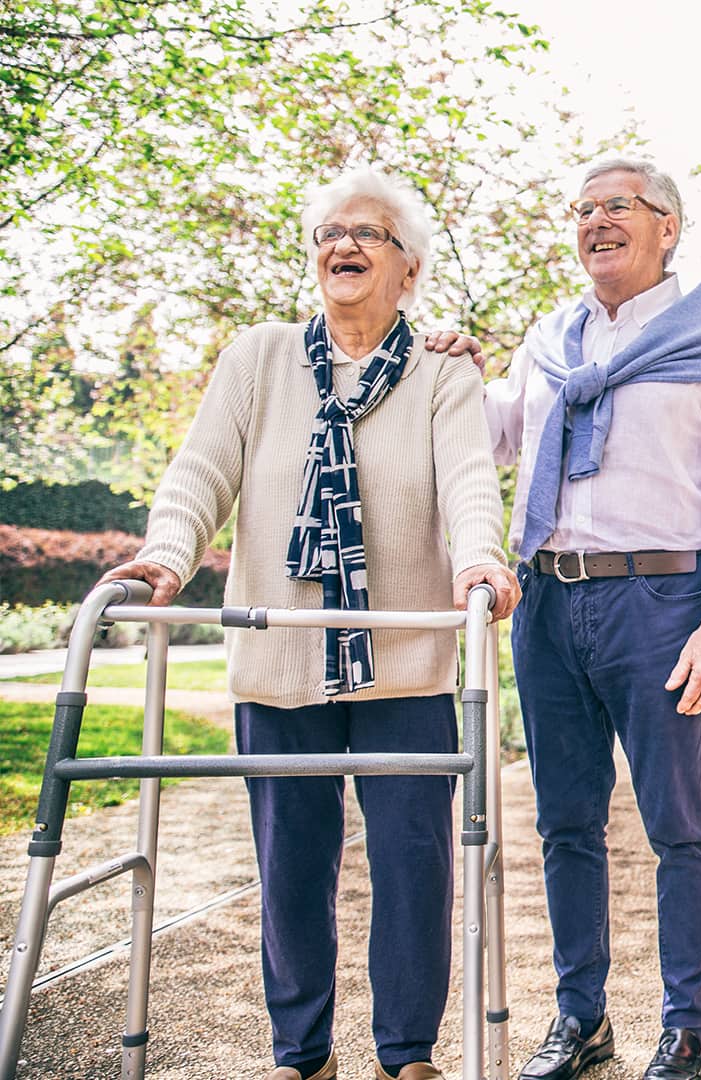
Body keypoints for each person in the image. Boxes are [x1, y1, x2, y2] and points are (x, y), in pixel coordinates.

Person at [101, 168, 518, 1080]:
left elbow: (467, 480)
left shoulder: (441, 369)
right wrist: (167, 555)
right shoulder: (258, 358)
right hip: (283, 658)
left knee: (413, 867)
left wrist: (480, 557)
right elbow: (201, 470)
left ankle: (406, 1053)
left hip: (403, 661)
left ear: (408, 270)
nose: (346, 245)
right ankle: (302, 1052)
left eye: (370, 232)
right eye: (332, 231)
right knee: (291, 869)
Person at [475, 158, 701, 1080]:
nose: (596, 222)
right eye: (584, 209)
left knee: (676, 824)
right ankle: (581, 1017)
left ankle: (686, 1026)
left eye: (619, 206)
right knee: (565, 823)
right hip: (548, 601)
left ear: (667, 227)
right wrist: (441, 363)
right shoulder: (548, 342)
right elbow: (491, 435)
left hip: (662, 604)